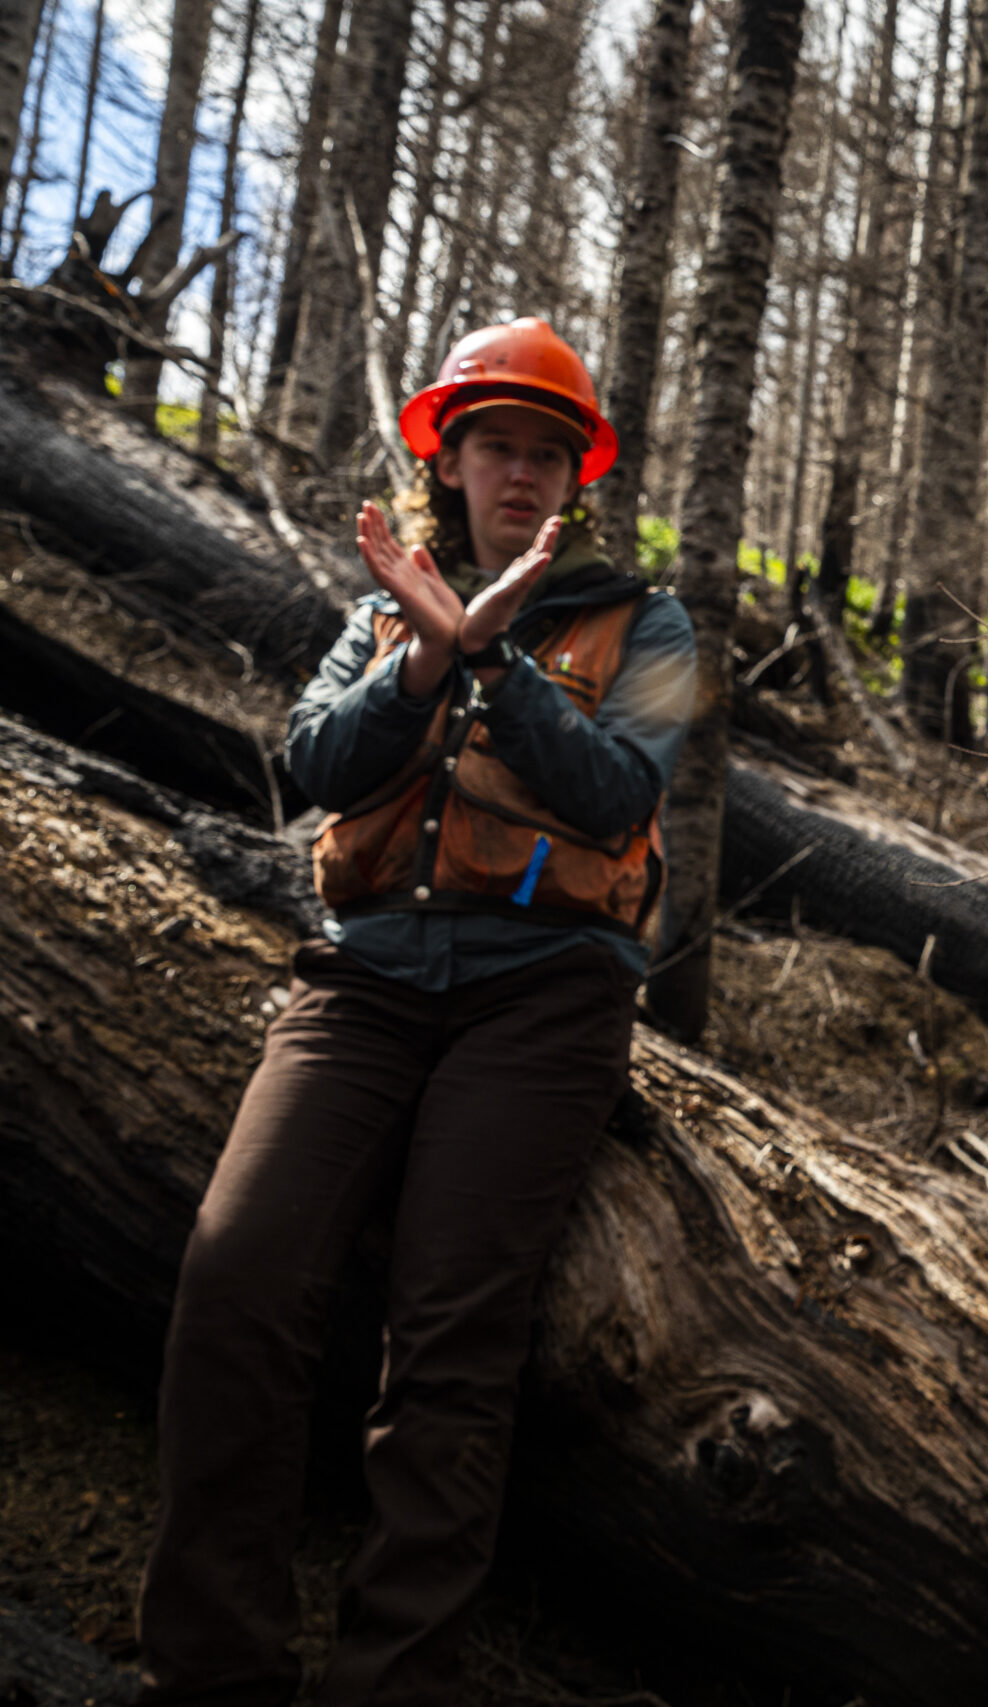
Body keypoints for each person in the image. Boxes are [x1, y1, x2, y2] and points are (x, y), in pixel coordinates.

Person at [137, 318, 698, 1707]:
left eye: (547, 451)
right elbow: (317, 755)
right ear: (449, 463)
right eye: (495, 444)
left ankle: (398, 1679)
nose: (520, 470)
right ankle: (211, 1668)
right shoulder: (388, 603)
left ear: (578, 476)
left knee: (453, 1333)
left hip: (546, 997)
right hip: (364, 976)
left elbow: (623, 796)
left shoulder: (653, 622)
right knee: (235, 1270)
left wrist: (499, 660)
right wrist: (429, 653)